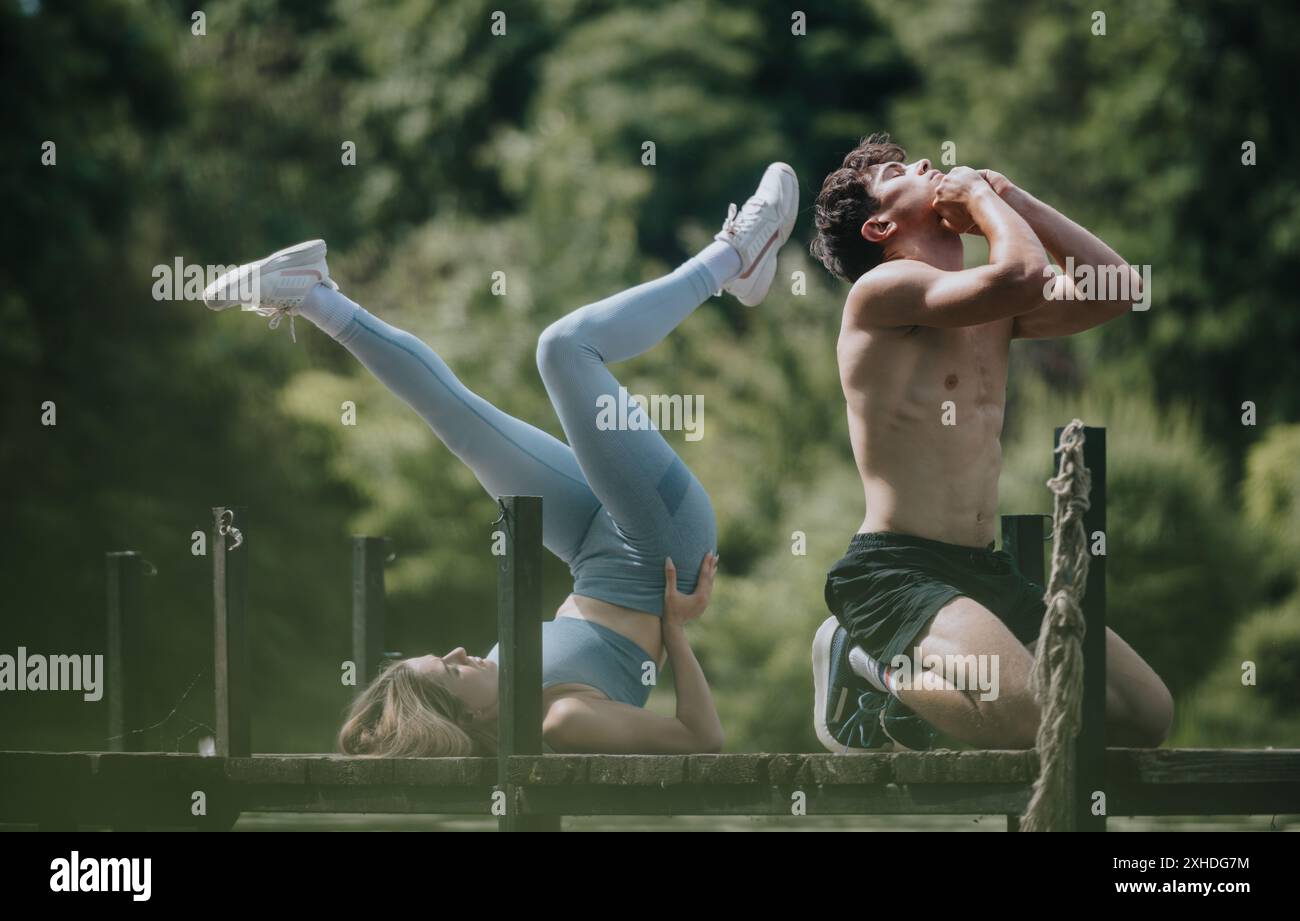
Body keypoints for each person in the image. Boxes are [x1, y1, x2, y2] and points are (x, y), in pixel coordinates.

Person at [201, 163, 799, 756]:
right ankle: (732, 258)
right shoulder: (564, 720)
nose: (461, 652)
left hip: (593, 551)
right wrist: (674, 628)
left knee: (458, 422)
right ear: (474, 715)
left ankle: (312, 295)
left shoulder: (497, 680)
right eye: (453, 672)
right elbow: (702, 738)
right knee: (565, 350)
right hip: (663, 548)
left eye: (446, 659)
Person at [807, 134, 1172, 752]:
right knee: (1031, 718)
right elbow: (1025, 274)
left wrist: (1011, 196)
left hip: (985, 568)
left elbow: (1120, 288)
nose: (925, 163)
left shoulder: (991, 299)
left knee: (1142, 715)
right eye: (899, 171)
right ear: (878, 226)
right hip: (897, 570)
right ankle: (861, 661)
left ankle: (903, 680)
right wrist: (977, 192)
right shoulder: (883, 292)